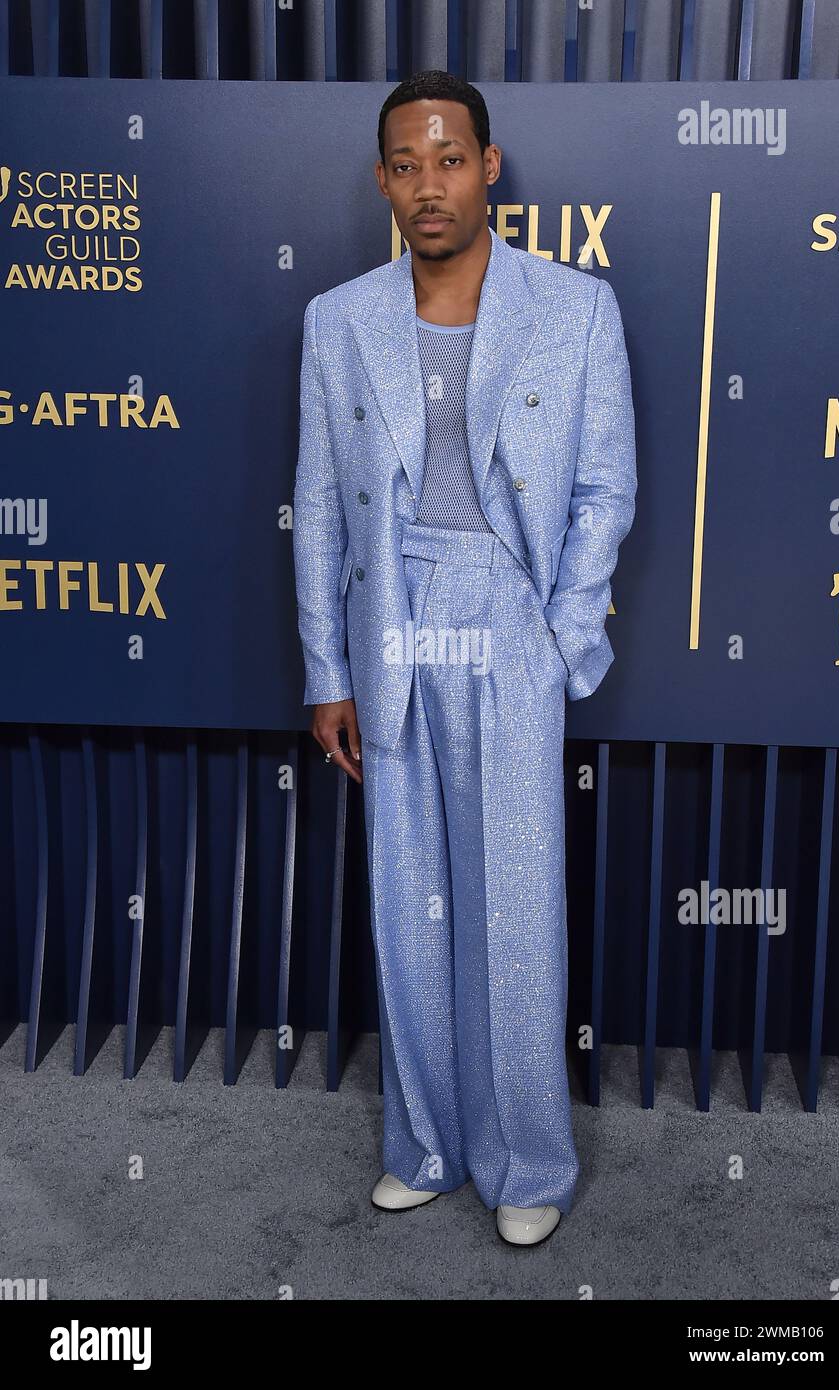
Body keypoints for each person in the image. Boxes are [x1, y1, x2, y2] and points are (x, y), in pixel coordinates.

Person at [293, 70, 637, 1247]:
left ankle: (528, 1160)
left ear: (487, 167)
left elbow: (604, 486)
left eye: (448, 158)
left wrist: (556, 635)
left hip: (508, 614)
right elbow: (318, 511)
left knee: (515, 902)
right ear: (383, 178)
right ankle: (427, 1146)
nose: (426, 183)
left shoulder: (575, 308)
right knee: (407, 899)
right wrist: (325, 669)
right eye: (404, 163)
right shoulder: (339, 322)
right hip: (391, 614)